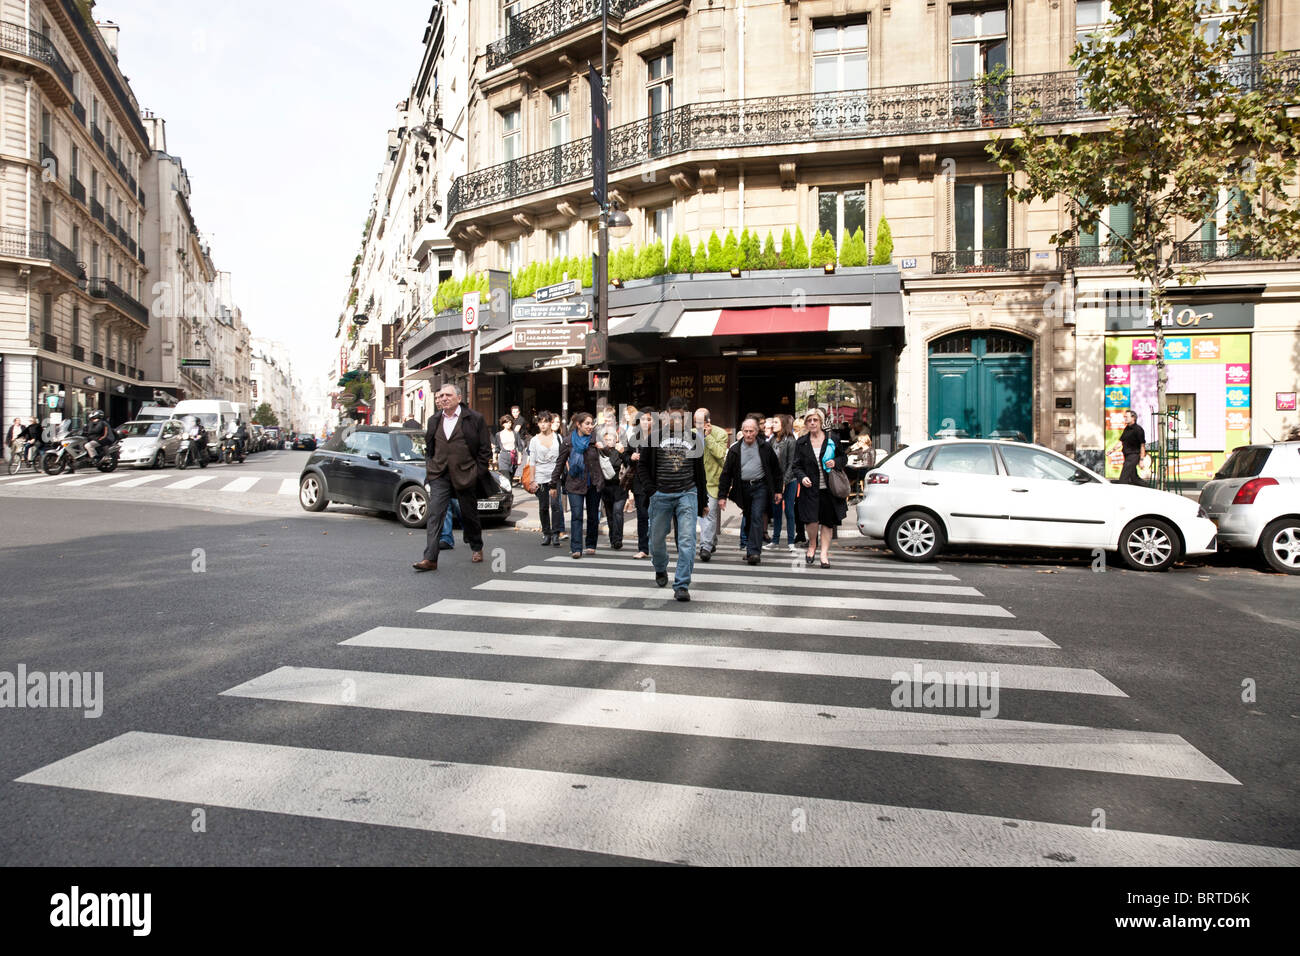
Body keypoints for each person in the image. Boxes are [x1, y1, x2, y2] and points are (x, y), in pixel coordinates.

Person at [413, 383, 492, 571]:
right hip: (439, 474)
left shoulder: (474, 419)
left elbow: (484, 450)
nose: (443, 399)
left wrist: (476, 473)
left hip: (466, 474)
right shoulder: (433, 420)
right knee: (435, 514)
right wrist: (430, 469)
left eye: (447, 395)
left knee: (469, 514)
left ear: (459, 398)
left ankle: (476, 545)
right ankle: (430, 558)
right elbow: (429, 449)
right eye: (440, 396)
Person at [640, 396, 709, 602]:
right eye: (672, 417)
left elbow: (700, 471)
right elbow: (642, 467)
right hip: (660, 494)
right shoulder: (653, 438)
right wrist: (651, 489)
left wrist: (703, 501)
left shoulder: (694, 438)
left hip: (687, 493)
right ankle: (660, 567)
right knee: (656, 541)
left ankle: (681, 585)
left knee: (687, 541)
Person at [717, 416, 785, 565]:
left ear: (756, 431)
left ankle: (754, 552)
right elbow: (726, 474)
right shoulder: (735, 449)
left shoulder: (764, 447)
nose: (748, 434)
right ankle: (749, 547)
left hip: (761, 486)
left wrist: (778, 490)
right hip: (743, 488)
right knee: (748, 516)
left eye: (751, 431)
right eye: (746, 431)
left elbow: (776, 470)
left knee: (757, 516)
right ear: (742, 431)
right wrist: (722, 496)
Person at [792, 407, 847, 568]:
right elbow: (796, 466)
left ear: (821, 422)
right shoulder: (801, 442)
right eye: (809, 420)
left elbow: (844, 457)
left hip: (829, 488)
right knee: (811, 520)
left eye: (815, 420)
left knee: (827, 522)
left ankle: (823, 554)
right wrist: (802, 478)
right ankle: (812, 545)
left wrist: (836, 462)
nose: (812, 423)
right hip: (810, 489)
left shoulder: (832, 439)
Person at [551, 411, 605, 558]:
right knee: (577, 515)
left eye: (591, 423)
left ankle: (591, 544)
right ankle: (576, 548)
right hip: (575, 483)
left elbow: (607, 455)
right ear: (578, 425)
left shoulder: (595, 439)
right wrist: (552, 483)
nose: (590, 426)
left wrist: (603, 448)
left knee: (593, 516)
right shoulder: (568, 442)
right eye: (587, 423)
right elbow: (560, 464)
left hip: (594, 483)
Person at [693, 407, 729, 562]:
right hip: (695, 480)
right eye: (695, 422)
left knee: (710, 514)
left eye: (700, 422)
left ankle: (705, 547)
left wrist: (708, 438)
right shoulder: (692, 433)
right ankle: (710, 541)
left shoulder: (720, 433)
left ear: (708, 421)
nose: (698, 425)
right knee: (703, 514)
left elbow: (720, 454)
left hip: (713, 481)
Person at [527, 411, 565, 546]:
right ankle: (546, 533)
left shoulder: (558, 438)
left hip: (555, 477)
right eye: (540, 422)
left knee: (555, 505)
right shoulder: (534, 440)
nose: (542, 425)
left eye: (545, 422)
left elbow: (562, 458)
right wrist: (532, 480)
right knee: (543, 507)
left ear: (550, 423)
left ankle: (555, 534)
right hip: (540, 477)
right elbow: (532, 462)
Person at [626, 408, 656, 558]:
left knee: (656, 516)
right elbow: (625, 455)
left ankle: (655, 546)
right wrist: (631, 456)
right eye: (643, 419)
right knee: (643, 516)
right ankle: (643, 548)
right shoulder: (634, 438)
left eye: (649, 419)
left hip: (656, 482)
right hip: (639, 482)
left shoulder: (659, 438)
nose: (646, 422)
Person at [769, 414, 801, 551]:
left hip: (790, 480)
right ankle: (775, 540)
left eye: (776, 422)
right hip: (776, 480)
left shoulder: (790, 440)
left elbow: (791, 463)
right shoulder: (772, 440)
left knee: (789, 510)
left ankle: (790, 541)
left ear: (782, 424)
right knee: (776, 511)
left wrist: (784, 482)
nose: (773, 424)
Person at [598, 425, 628, 549]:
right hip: (606, 488)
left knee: (618, 513)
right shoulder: (601, 452)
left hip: (620, 487)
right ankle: (612, 539)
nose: (608, 442)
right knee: (610, 515)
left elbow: (628, 463)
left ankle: (618, 539)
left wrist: (624, 453)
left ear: (616, 439)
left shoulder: (621, 451)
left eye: (611, 439)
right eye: (606, 439)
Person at [1110, 409, 1148, 486]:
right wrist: (1112, 450)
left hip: (1134, 455)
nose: (1125, 418)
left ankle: (1120, 492)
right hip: (1127, 456)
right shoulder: (1126, 428)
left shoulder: (1138, 430)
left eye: (1126, 417)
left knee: (1123, 477)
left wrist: (1141, 460)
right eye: (1124, 417)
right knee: (1134, 477)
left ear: (1133, 418)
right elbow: (1121, 441)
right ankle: (1148, 487)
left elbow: (1142, 445)